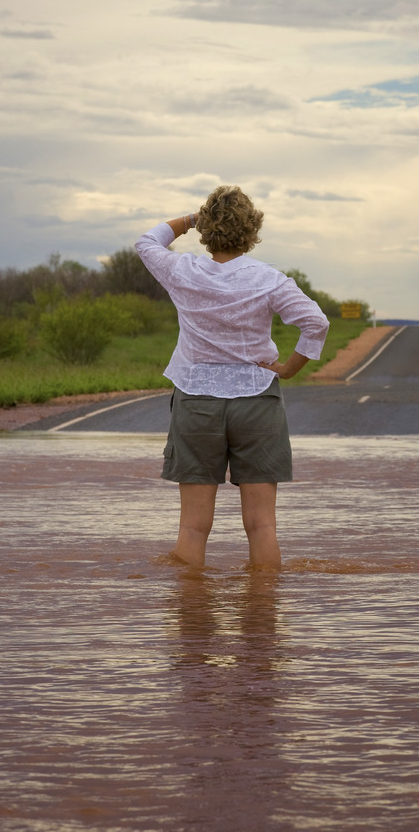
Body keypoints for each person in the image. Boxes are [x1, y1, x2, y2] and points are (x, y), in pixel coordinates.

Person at [135, 185, 329, 569]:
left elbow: (147, 242)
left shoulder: (182, 271)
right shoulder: (269, 279)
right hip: (257, 401)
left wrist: (191, 219)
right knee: (262, 526)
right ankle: (262, 620)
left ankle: (192, 621)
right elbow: (316, 323)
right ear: (252, 231)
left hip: (195, 400)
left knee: (192, 527)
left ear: (207, 230)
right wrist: (289, 369)